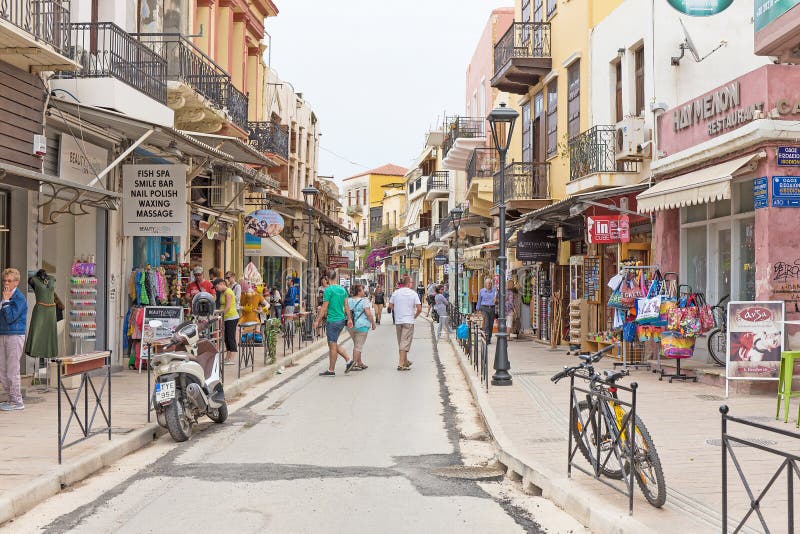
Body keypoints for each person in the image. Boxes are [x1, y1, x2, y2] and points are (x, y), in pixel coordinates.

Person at [313, 269, 355, 376]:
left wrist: (317, 320)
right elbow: (346, 306)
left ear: (326, 278)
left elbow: (324, 308)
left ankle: (340, 365)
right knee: (333, 344)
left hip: (332, 321)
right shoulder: (342, 290)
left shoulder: (328, 290)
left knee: (332, 345)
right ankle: (343, 363)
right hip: (341, 320)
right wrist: (349, 319)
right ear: (336, 277)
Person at [0, 268, 27, 411]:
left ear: (16, 282)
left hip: (15, 335)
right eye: (4, 280)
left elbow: (11, 317)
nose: (6, 283)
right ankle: (11, 399)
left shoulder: (19, 298)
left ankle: (17, 401)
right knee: (2, 370)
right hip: (3, 334)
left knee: (12, 369)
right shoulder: (5, 296)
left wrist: (5, 300)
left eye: (9, 281)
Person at [388, 275, 421, 371]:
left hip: (399, 321)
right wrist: (414, 316)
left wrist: (397, 311)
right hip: (408, 320)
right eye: (412, 282)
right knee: (405, 342)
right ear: (409, 283)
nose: (413, 284)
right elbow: (419, 309)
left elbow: (390, 305)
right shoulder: (413, 294)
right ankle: (401, 364)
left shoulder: (396, 292)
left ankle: (405, 361)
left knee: (401, 342)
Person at [347, 284, 376, 370]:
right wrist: (373, 323)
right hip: (362, 325)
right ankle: (354, 364)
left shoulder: (348, 300)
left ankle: (359, 363)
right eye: (363, 290)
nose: (364, 292)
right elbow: (368, 313)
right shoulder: (364, 300)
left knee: (357, 344)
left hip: (351, 325)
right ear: (359, 291)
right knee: (358, 346)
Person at [213, 278, 239, 364]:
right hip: (225, 317)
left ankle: (232, 357)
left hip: (231, 317)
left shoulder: (228, 292)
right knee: (226, 338)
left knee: (230, 337)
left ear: (221, 284)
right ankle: (227, 357)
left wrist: (221, 314)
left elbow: (227, 307)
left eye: (217, 287)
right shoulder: (222, 293)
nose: (217, 289)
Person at [477, 278, 497, 345]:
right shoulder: (482, 291)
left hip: (492, 308)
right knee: (486, 323)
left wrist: (496, 299)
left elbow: (497, 299)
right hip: (484, 308)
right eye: (488, 283)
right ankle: (486, 338)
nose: (489, 284)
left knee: (491, 324)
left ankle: (489, 338)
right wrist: (478, 309)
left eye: (490, 283)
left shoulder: (494, 290)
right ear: (485, 284)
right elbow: (479, 300)